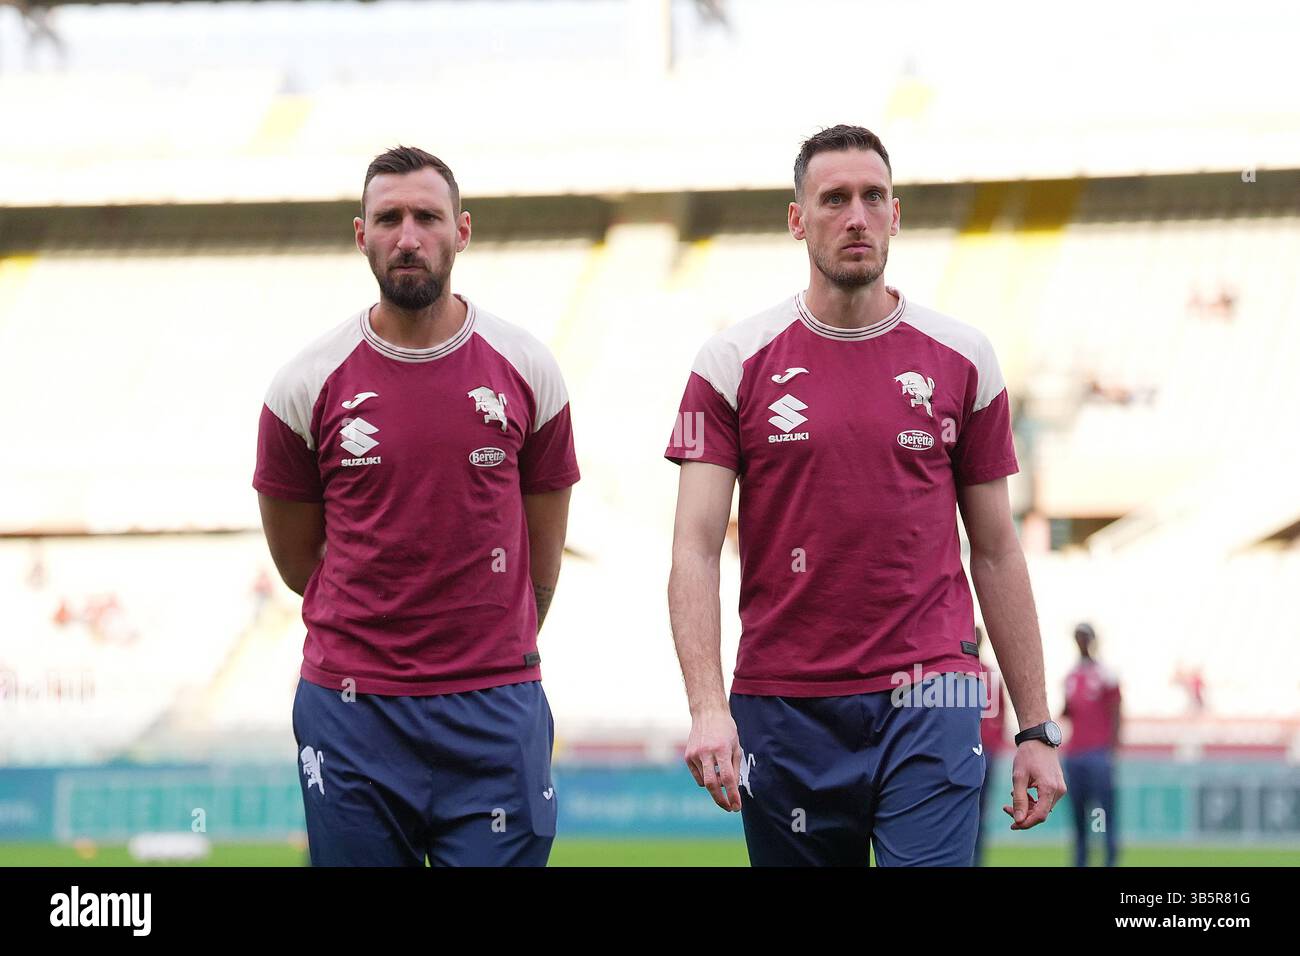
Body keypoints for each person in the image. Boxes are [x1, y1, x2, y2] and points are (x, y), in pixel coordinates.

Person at [664, 125, 1065, 866]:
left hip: (934, 697)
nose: (857, 216)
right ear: (796, 220)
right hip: (782, 705)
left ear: (895, 212)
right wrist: (707, 706)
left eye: (873, 197)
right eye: (835, 199)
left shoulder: (964, 357)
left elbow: (999, 550)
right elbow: (693, 546)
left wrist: (1036, 727)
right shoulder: (731, 362)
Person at [254, 145, 579, 866]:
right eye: (389, 218)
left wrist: (494, 653)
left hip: (496, 711)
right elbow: (299, 560)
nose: (408, 236)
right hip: (352, 713)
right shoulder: (304, 385)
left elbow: (544, 550)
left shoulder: (527, 368)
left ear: (462, 231)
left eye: (426, 217)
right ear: (360, 235)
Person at [1061, 622, 1122, 866]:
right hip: (1075, 753)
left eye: (1085, 637)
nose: (1082, 642)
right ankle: (1081, 861)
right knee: (1078, 815)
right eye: (1078, 637)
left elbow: (1116, 712)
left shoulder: (1106, 674)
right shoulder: (1071, 675)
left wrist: (1112, 750)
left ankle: (1108, 859)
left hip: (1098, 754)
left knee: (1103, 814)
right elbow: (1068, 711)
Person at [973, 625, 1011, 866]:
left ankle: (976, 861)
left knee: (979, 813)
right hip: (960, 751)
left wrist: (995, 746)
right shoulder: (953, 674)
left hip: (986, 752)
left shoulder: (990, 675)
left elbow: (1002, 713)